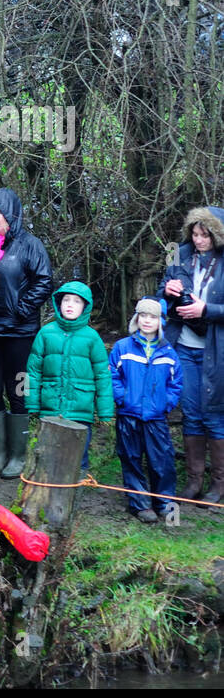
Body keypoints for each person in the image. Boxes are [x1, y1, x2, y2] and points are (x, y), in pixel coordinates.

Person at [0, 187, 53, 478]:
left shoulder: (30, 245)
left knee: (18, 389)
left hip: (20, 332)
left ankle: (18, 456)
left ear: (11, 214)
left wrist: (20, 309)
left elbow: (44, 281)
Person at [159, 206, 224, 502]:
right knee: (191, 414)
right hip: (183, 346)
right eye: (195, 234)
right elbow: (162, 286)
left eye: (205, 235)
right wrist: (168, 289)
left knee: (214, 415)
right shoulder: (179, 252)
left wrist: (205, 310)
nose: (198, 240)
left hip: (216, 349)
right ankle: (194, 480)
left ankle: (218, 484)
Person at [24, 282, 115, 475]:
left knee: (78, 458)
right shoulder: (45, 333)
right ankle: (45, 496)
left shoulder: (92, 337)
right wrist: (31, 402)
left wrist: (105, 411)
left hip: (80, 411)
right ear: (58, 303)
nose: (70, 305)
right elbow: (32, 372)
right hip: (50, 409)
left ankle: (74, 494)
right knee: (47, 455)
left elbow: (103, 375)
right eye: (66, 300)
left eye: (76, 301)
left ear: (85, 307)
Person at [110, 298, 183, 522]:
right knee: (130, 459)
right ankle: (140, 504)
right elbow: (113, 376)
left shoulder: (169, 352)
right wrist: (122, 398)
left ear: (160, 321)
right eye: (143, 316)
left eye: (152, 317)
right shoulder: (122, 347)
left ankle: (164, 502)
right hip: (128, 415)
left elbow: (176, 383)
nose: (147, 321)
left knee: (161, 461)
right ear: (136, 319)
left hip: (155, 417)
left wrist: (166, 404)